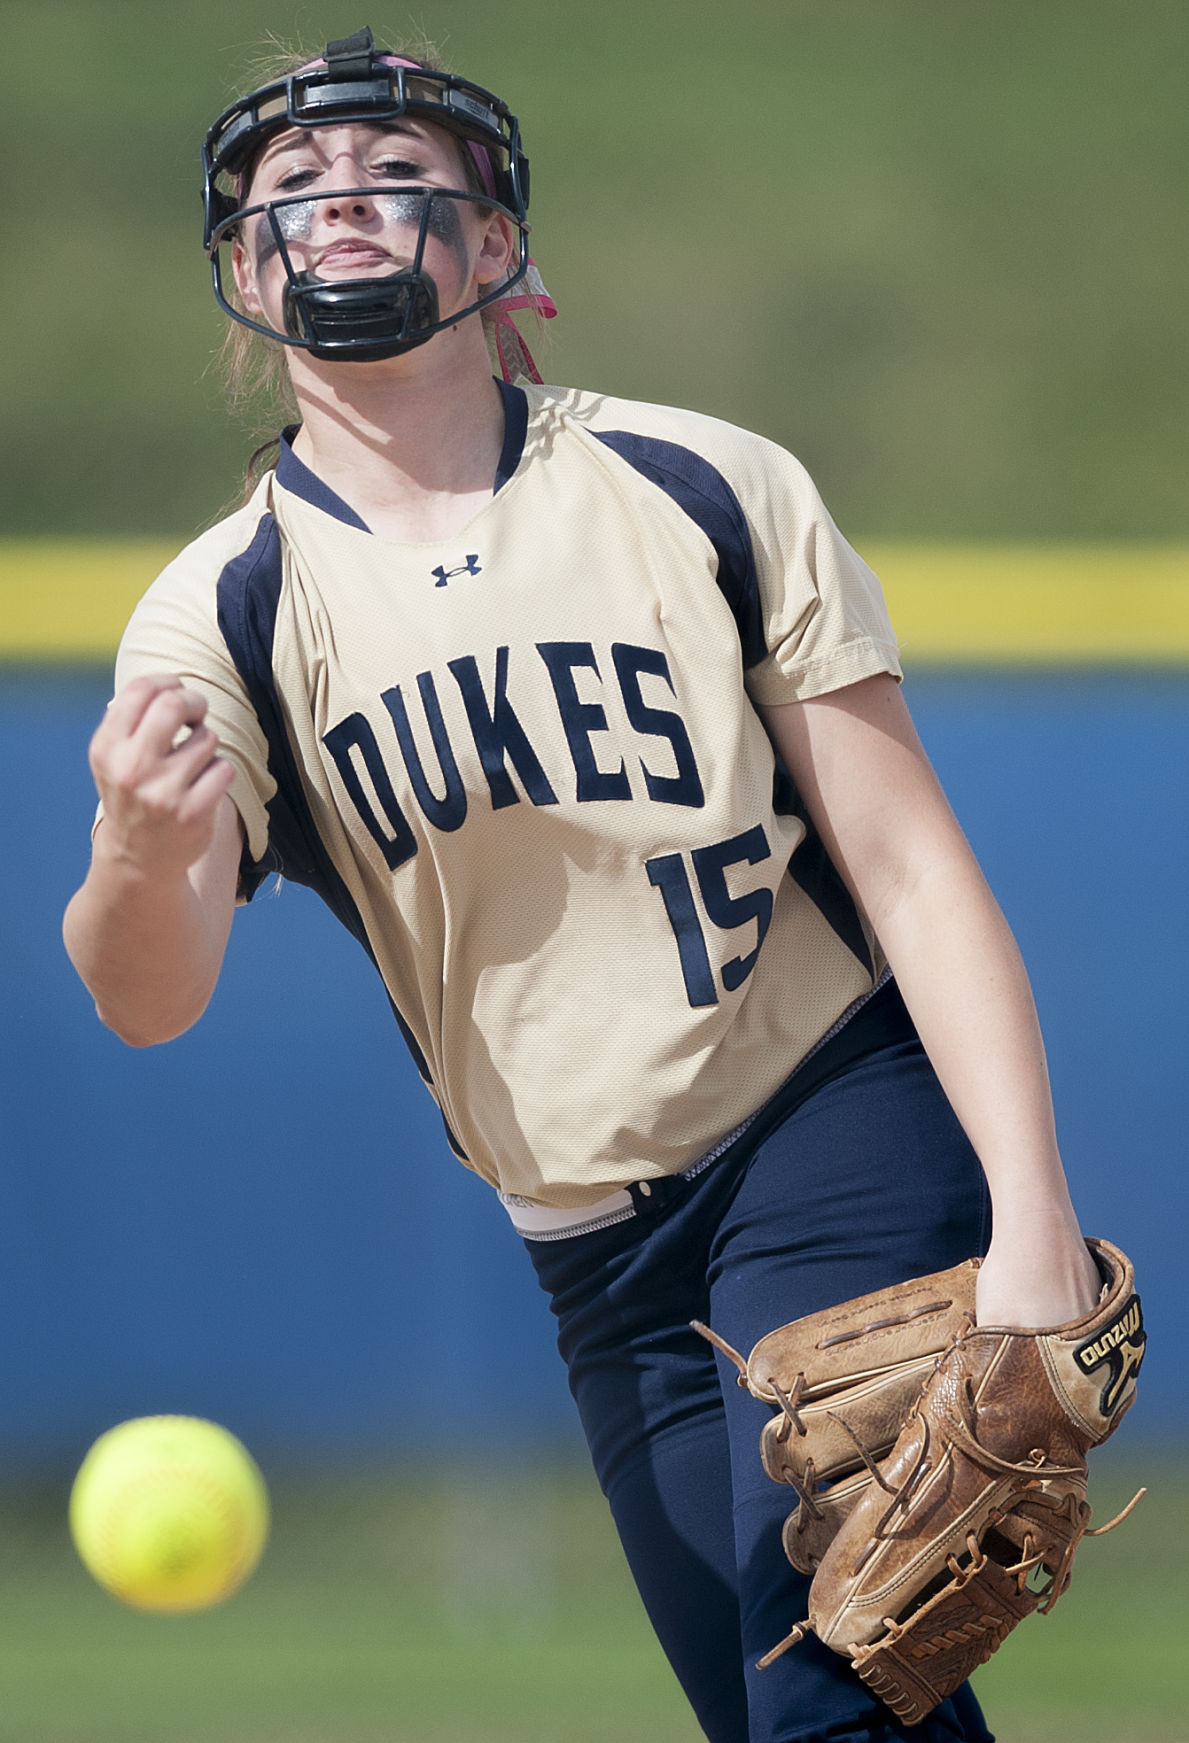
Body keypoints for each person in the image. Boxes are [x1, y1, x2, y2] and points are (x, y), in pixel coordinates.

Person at [64, 28, 1103, 1743]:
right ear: (240, 268)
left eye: (389, 171)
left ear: (492, 247)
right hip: (590, 1259)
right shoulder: (226, 610)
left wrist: (1030, 1219)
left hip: (821, 1129)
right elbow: (147, 997)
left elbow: (909, 868)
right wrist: (130, 854)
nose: (333, 203)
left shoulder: (696, 486)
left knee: (833, 1709)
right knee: (817, 1713)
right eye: (287, 189)